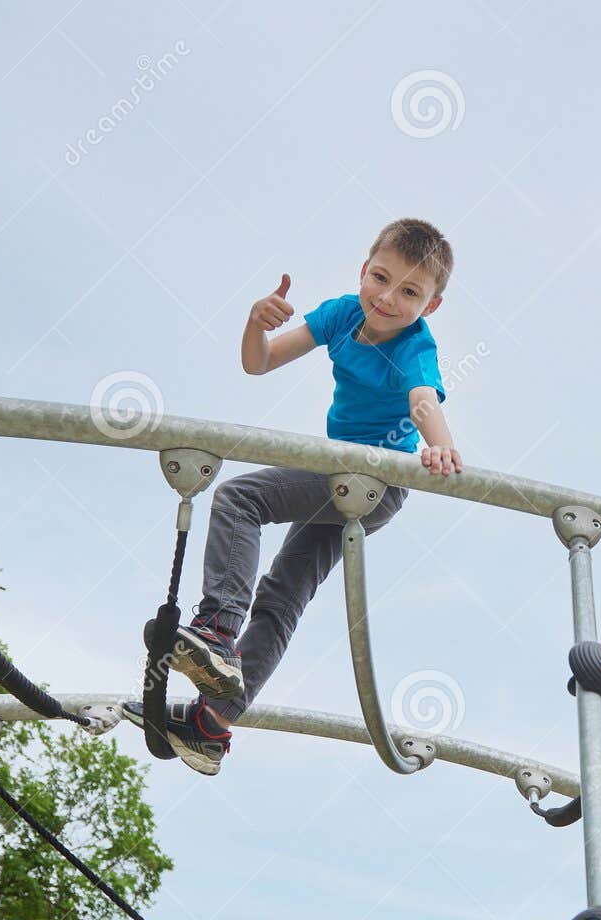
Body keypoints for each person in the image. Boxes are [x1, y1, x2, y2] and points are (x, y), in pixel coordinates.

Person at [121, 218, 463, 774]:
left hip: (373, 479)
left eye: (410, 293)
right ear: (363, 270)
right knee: (284, 594)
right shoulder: (340, 313)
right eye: (381, 278)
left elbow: (423, 397)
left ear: (431, 305)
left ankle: (218, 631)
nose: (388, 298)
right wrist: (255, 323)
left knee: (239, 499)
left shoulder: (415, 345)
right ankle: (212, 725)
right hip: (340, 473)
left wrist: (441, 447)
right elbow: (260, 362)